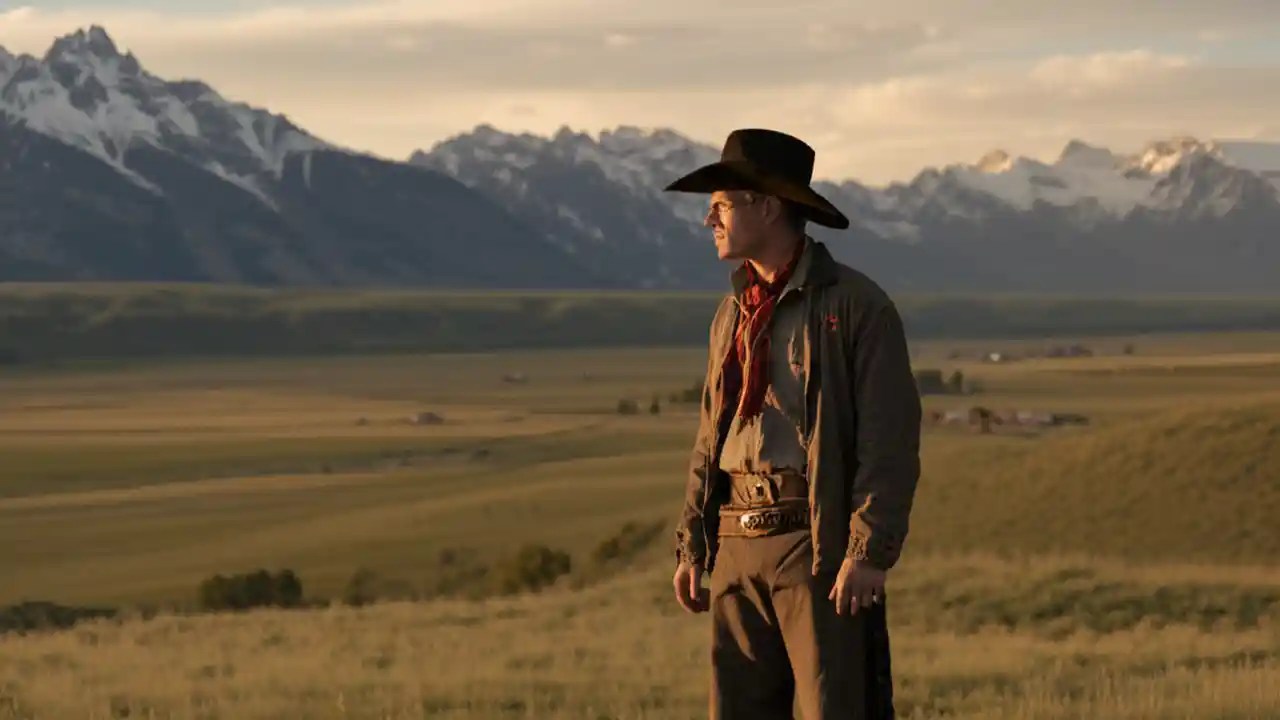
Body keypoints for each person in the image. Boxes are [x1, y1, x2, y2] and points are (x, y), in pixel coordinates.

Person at [664, 129, 923, 719]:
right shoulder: (731, 314)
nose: (709, 219)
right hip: (734, 540)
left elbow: (889, 436)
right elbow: (710, 438)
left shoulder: (856, 306)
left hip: (815, 543)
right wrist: (693, 543)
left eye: (722, 204)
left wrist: (868, 549)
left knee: (833, 708)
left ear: (768, 206)